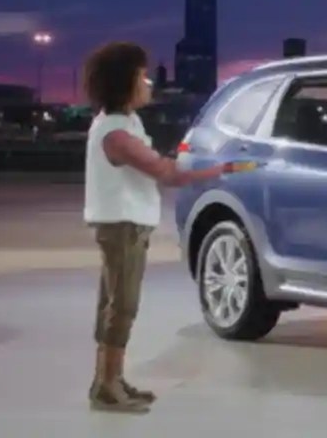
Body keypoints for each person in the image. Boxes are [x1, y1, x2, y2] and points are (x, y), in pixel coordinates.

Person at [82, 42, 254, 413]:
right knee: (121, 305)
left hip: (128, 223)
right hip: (122, 225)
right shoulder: (114, 131)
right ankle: (107, 386)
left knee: (114, 303)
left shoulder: (126, 122)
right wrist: (222, 170)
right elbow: (166, 172)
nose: (148, 82)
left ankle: (109, 380)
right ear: (123, 82)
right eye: (140, 76)